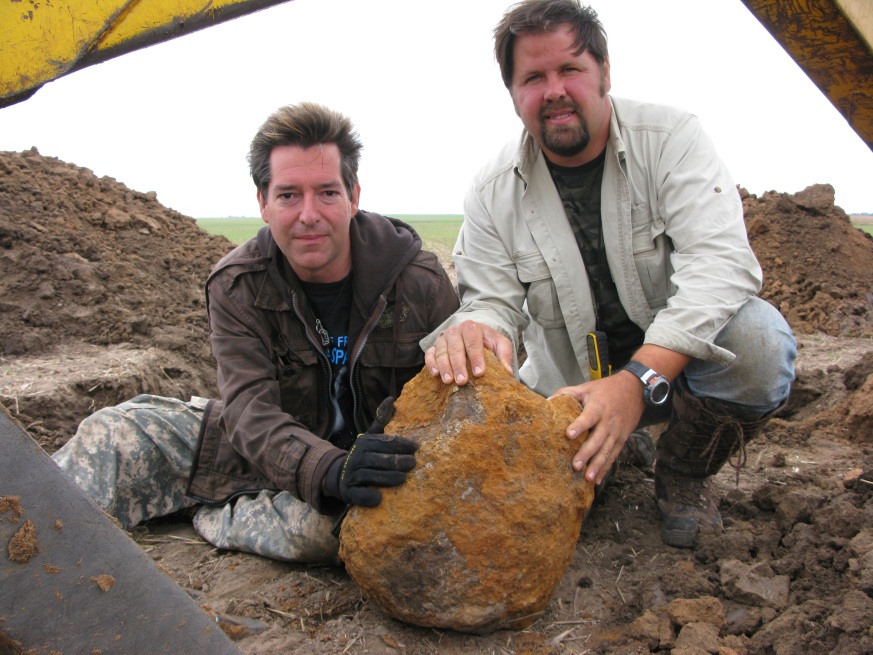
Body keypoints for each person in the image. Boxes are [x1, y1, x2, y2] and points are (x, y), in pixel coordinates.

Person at [422, 0, 796, 548]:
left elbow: (721, 266)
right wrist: (478, 328)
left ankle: (684, 474)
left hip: (675, 378)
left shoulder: (671, 139)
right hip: (570, 397)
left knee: (760, 344)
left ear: (604, 73)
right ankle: (620, 444)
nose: (553, 90)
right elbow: (490, 299)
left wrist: (636, 384)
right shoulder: (491, 189)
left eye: (570, 69)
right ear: (512, 94)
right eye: (533, 77)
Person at [53, 102, 460, 563]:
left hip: (364, 473)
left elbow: (459, 400)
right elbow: (248, 412)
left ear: (354, 196)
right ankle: (27, 557)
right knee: (112, 434)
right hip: (271, 454)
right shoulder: (237, 283)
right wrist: (326, 467)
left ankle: (214, 512)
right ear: (263, 203)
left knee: (347, 531)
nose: (309, 214)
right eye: (288, 195)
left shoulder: (418, 282)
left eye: (327, 193)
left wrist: (354, 469)